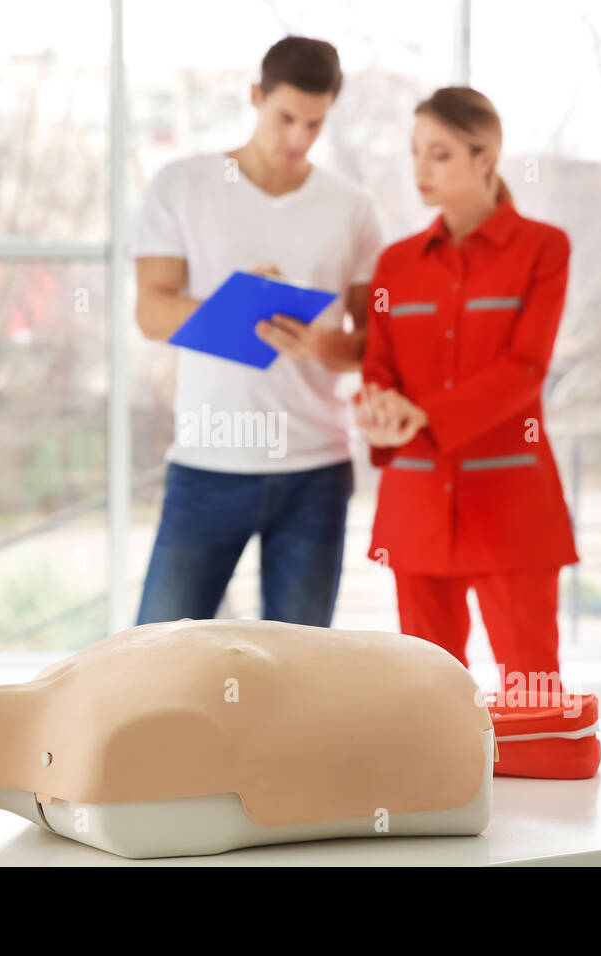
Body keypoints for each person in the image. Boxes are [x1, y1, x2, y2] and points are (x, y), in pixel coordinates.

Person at [132, 35, 385, 628]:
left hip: (315, 472)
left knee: (297, 674)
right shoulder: (182, 185)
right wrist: (233, 308)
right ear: (255, 96)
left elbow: (377, 341)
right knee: (154, 652)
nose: (297, 138)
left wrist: (321, 344)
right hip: (207, 463)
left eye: (314, 124)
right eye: (286, 117)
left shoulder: (352, 208)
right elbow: (151, 312)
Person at [353, 86, 578, 693]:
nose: (420, 170)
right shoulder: (395, 266)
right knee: (428, 704)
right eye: (415, 152)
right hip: (417, 506)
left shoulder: (544, 249)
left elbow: (526, 368)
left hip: (512, 506)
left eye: (441, 154)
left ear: (487, 157)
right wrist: (377, 412)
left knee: (534, 697)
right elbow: (377, 370)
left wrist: (421, 415)